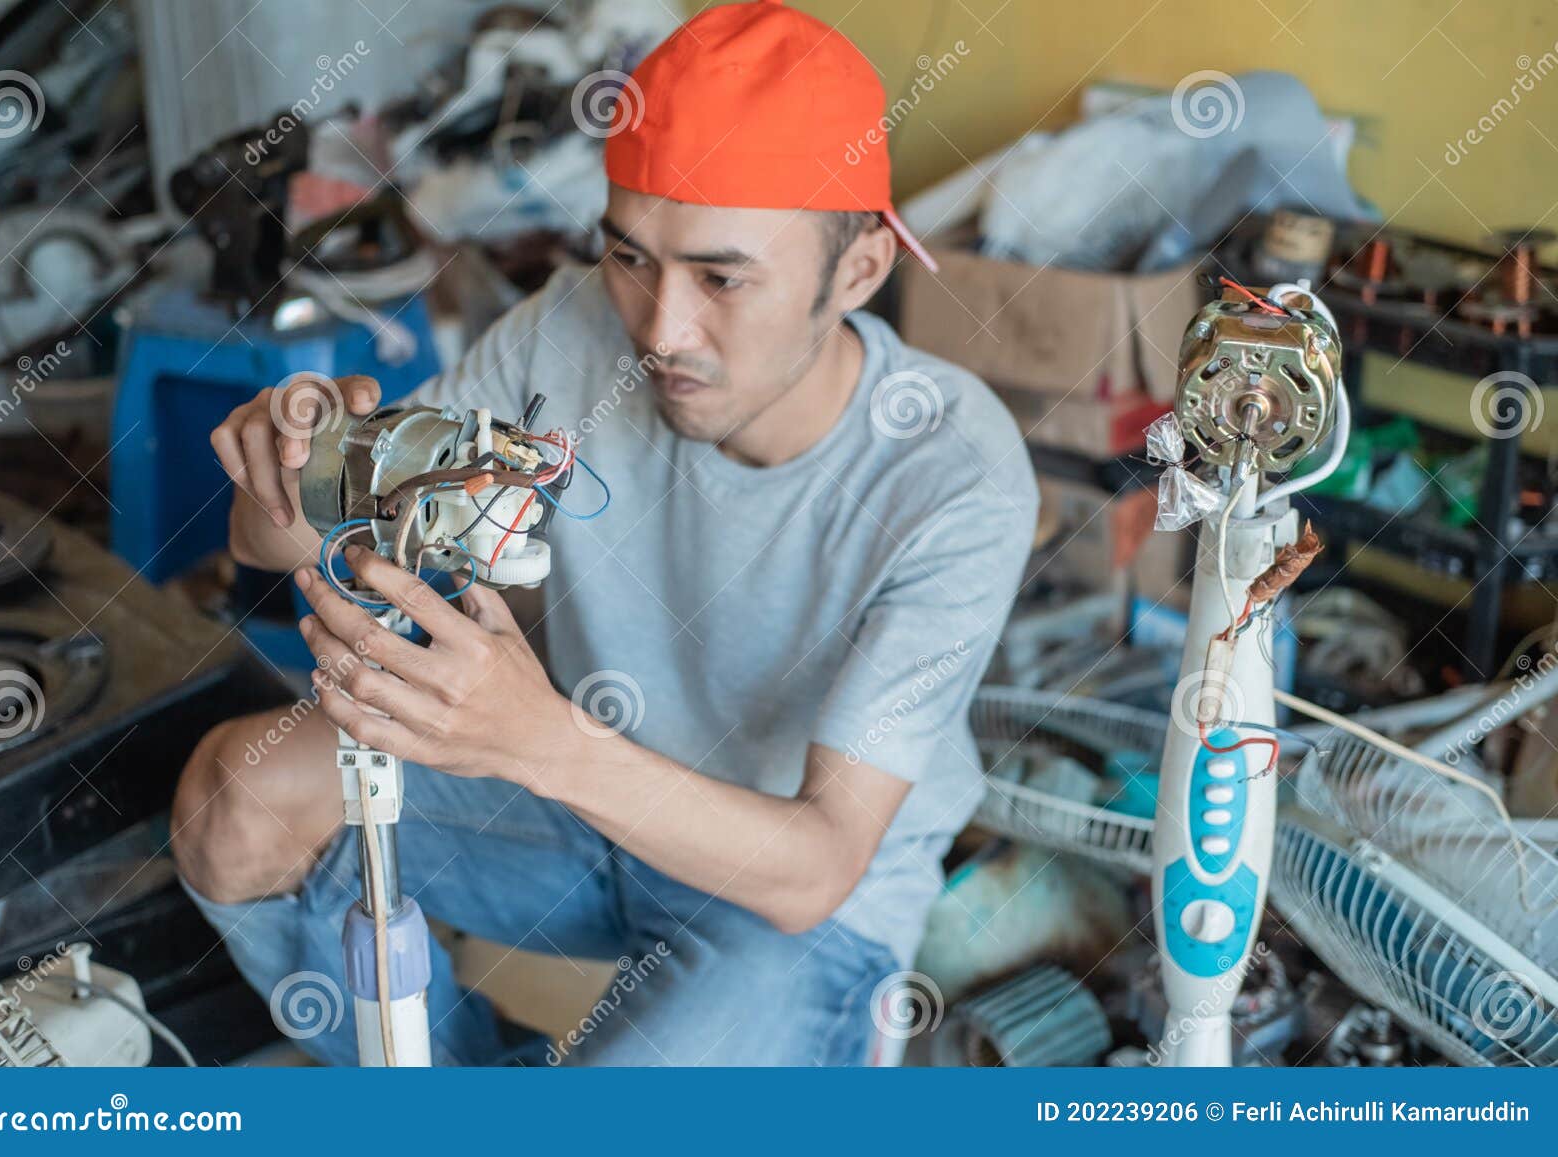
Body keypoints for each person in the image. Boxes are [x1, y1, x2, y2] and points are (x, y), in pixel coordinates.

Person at [173, 0, 1037, 1066]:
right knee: (235, 795)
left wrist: (536, 738)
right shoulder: (568, 326)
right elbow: (281, 547)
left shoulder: (951, 472)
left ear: (855, 271)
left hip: (780, 896)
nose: (662, 330)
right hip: (568, 810)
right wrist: (287, 470)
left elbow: (816, 863)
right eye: (631, 257)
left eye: (722, 278)